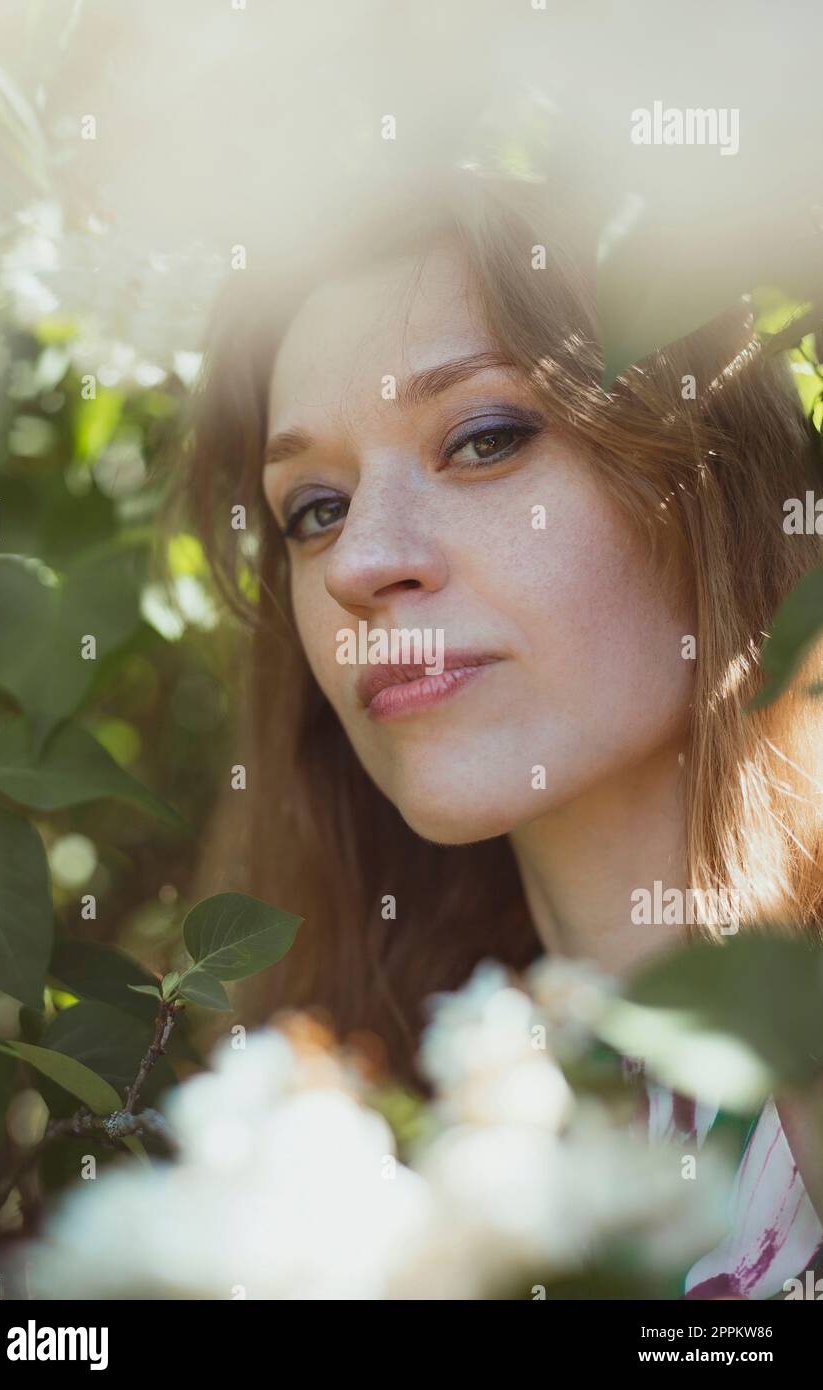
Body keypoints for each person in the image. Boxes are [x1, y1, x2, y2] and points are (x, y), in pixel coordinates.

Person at [183, 167, 823, 1297]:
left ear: (713, 479)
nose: (362, 568)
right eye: (314, 509)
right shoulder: (359, 1165)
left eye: (481, 439)